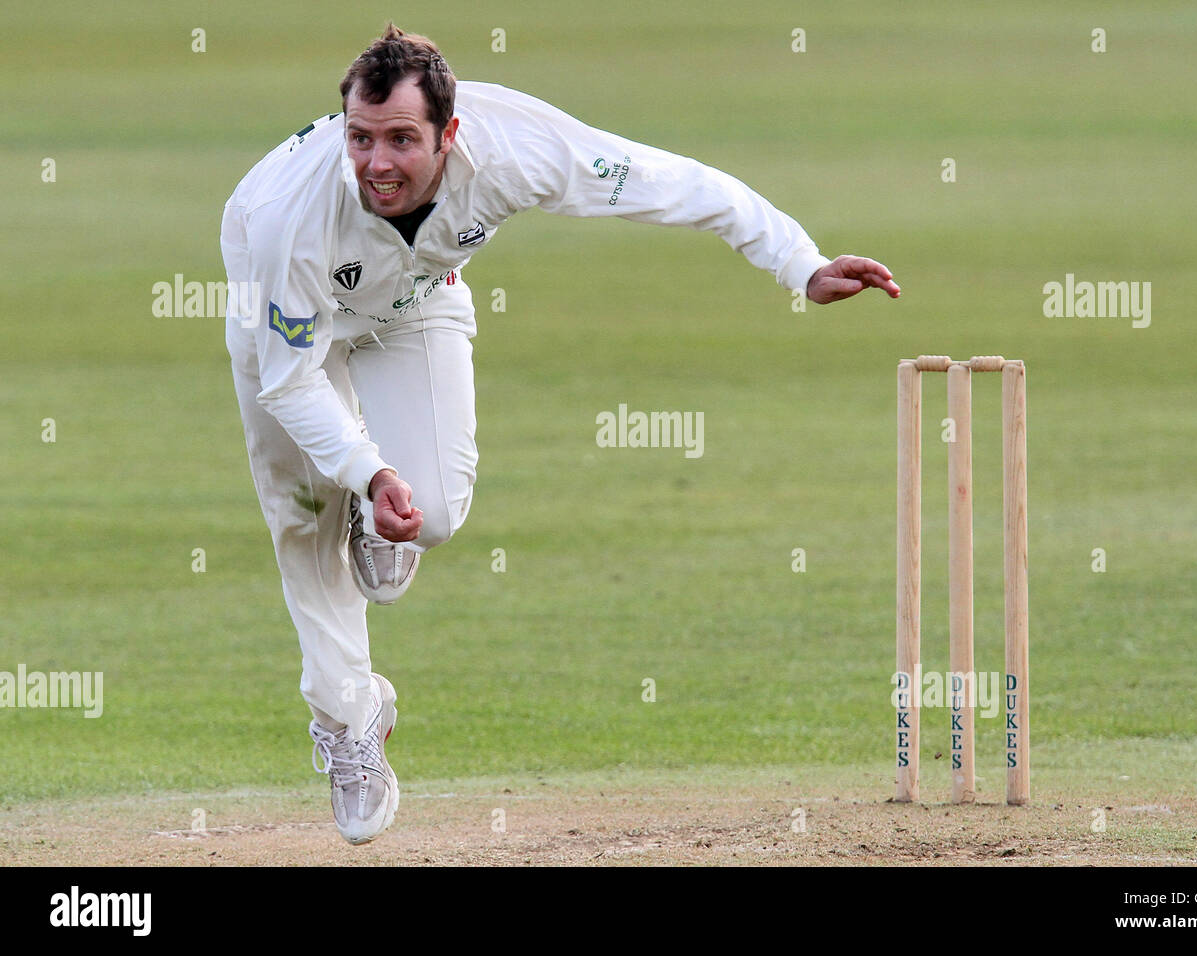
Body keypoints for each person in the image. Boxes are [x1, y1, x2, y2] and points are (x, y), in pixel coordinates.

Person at [220, 23, 901, 846]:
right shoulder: (286, 219)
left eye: (402, 140)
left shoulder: (518, 151)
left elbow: (663, 180)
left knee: (429, 517)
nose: (378, 164)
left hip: (417, 304)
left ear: (451, 135)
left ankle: (382, 513)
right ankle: (349, 715)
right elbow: (289, 379)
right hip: (291, 324)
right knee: (304, 515)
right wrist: (364, 472)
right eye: (360, 140)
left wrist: (797, 262)